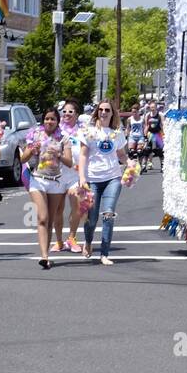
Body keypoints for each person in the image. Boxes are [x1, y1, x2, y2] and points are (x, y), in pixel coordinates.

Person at [75, 100, 130, 266]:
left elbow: (121, 155)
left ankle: (104, 253)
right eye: (101, 109)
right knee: (91, 218)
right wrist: (82, 177)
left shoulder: (117, 133)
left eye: (107, 110)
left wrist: (130, 163)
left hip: (113, 178)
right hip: (92, 179)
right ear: (97, 112)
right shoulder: (89, 131)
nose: (104, 112)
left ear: (112, 113)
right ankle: (89, 241)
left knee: (108, 215)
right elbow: (83, 155)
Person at [23, 106, 73, 269]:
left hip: (56, 182)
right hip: (38, 179)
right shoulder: (34, 135)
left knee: (50, 220)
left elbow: (69, 162)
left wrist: (58, 154)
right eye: (47, 118)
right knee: (42, 217)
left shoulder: (63, 139)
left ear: (58, 122)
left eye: (53, 119)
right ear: (42, 120)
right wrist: (32, 150)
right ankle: (43, 256)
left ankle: (47, 256)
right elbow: (23, 159)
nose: (49, 121)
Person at [56, 99, 87, 253]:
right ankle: (59, 241)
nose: (67, 114)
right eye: (65, 111)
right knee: (57, 209)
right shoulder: (57, 131)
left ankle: (72, 238)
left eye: (70, 112)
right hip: (57, 175)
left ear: (77, 115)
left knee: (76, 206)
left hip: (75, 175)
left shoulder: (82, 132)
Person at [143, 102, 164, 172]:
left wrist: (163, 135)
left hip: (158, 134)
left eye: (153, 107)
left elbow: (162, 125)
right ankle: (144, 166)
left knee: (160, 150)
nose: (152, 109)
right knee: (147, 150)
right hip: (150, 134)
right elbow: (146, 126)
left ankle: (162, 165)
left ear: (156, 107)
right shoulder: (147, 115)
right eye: (151, 107)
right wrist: (145, 136)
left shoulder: (160, 115)